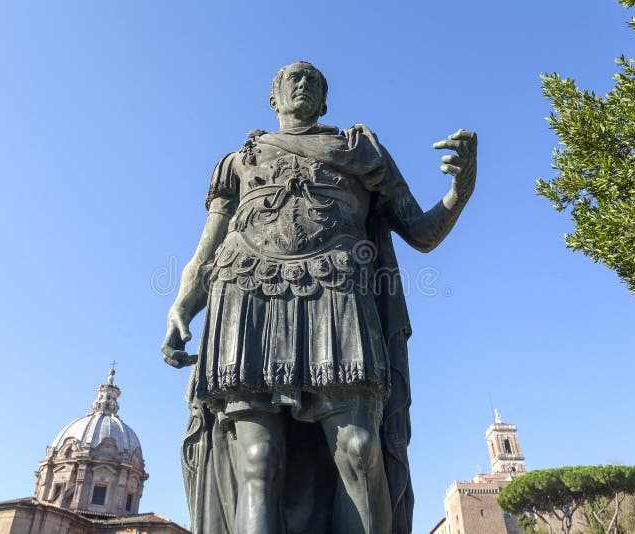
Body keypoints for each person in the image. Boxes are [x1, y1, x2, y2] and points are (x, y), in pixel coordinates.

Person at [162, 61, 476, 534]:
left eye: (313, 80)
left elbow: (421, 232)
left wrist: (461, 189)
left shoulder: (359, 150)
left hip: (338, 293)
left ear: (324, 100)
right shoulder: (240, 159)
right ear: (275, 98)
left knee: (358, 448)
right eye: (293, 78)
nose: (303, 83)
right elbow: (206, 248)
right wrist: (183, 304)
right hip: (246, 294)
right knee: (256, 458)